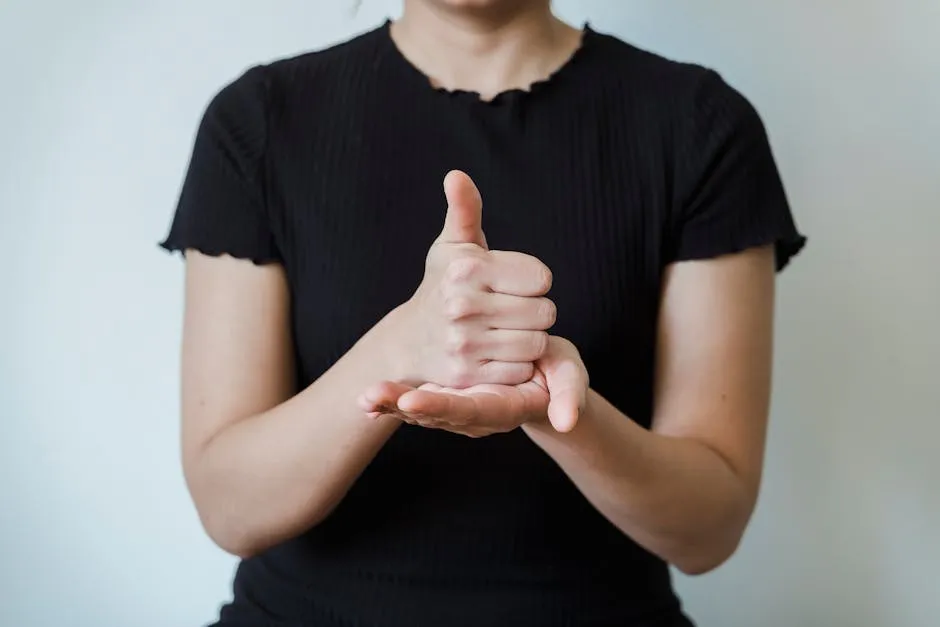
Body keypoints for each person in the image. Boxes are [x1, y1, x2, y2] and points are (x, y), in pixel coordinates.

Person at [159, 0, 806, 625]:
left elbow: (708, 529)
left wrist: (557, 410)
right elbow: (230, 508)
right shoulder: (260, 123)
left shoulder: (700, 126)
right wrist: (401, 352)